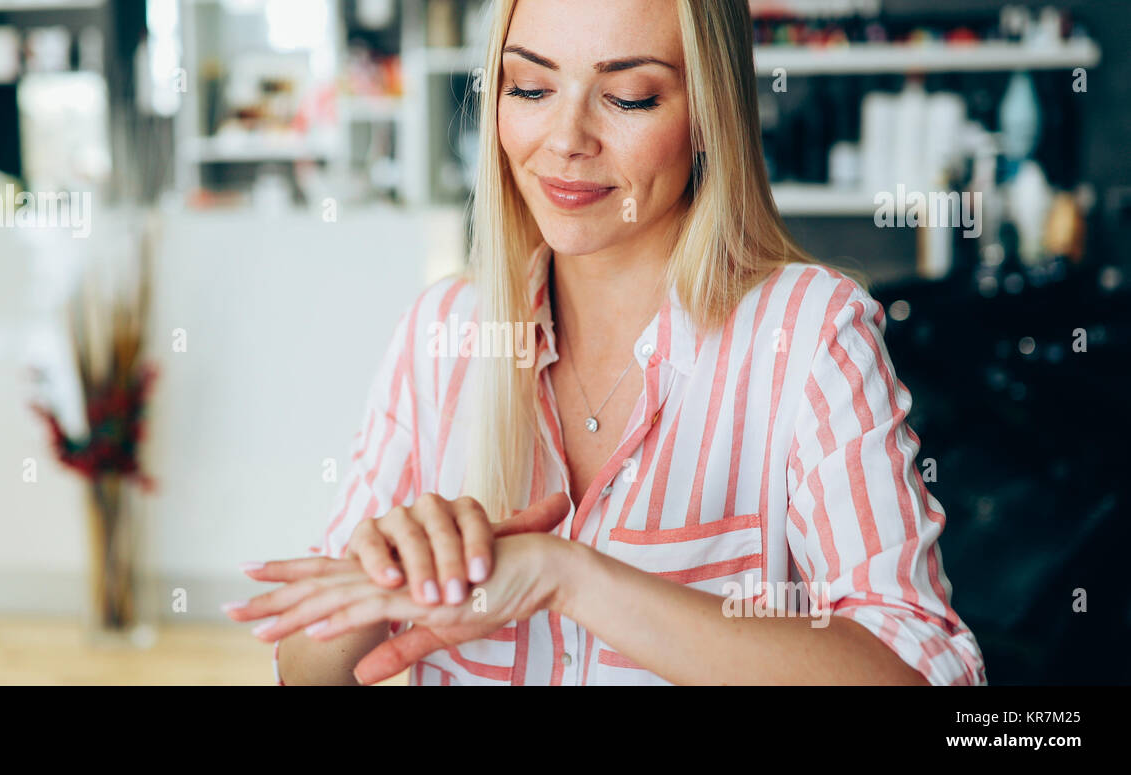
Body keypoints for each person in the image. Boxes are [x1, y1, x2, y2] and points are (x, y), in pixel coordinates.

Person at [224, 0, 986, 686]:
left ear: (708, 115)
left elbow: (931, 675)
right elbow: (307, 668)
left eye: (628, 96)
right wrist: (371, 579)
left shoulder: (810, 334)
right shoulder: (442, 333)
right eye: (530, 88)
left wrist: (573, 577)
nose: (564, 140)